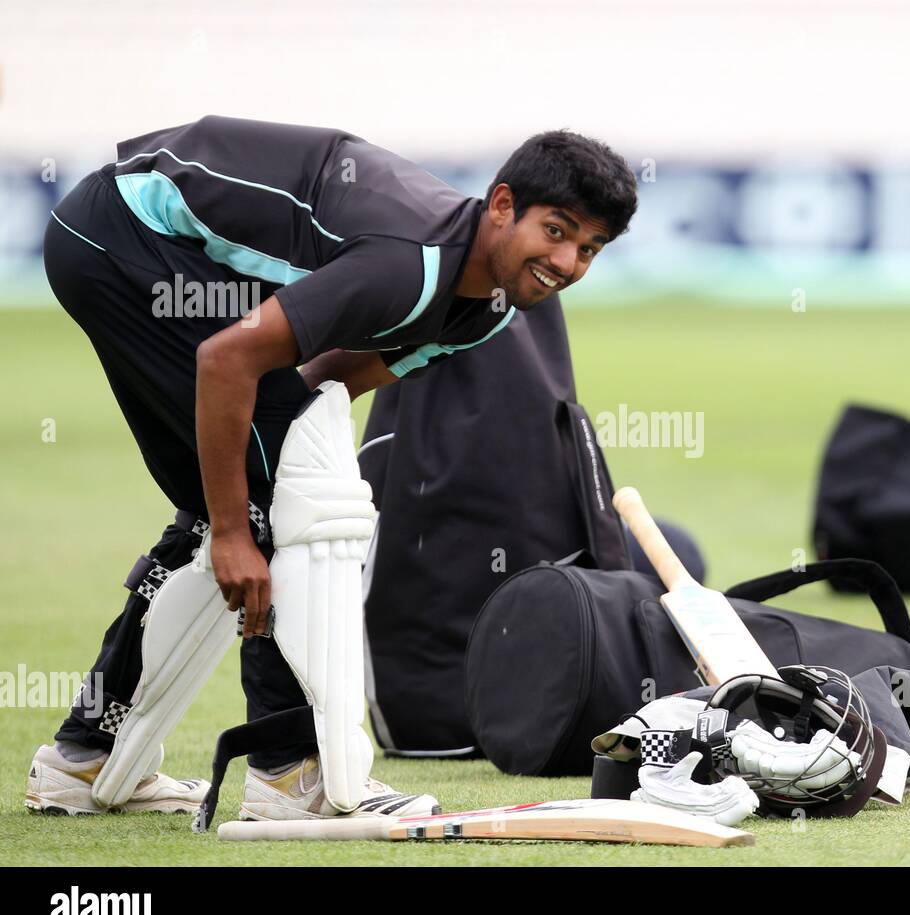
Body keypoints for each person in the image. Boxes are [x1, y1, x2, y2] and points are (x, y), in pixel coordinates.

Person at [29, 115, 638, 821]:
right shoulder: (407, 263)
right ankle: (289, 774)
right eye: (556, 231)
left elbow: (321, 387)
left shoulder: (489, 308)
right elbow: (226, 358)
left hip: (140, 243)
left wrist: (244, 510)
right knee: (270, 498)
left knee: (271, 487)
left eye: (590, 249)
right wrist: (237, 527)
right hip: (116, 233)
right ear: (502, 206)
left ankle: (84, 757)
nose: (567, 264)